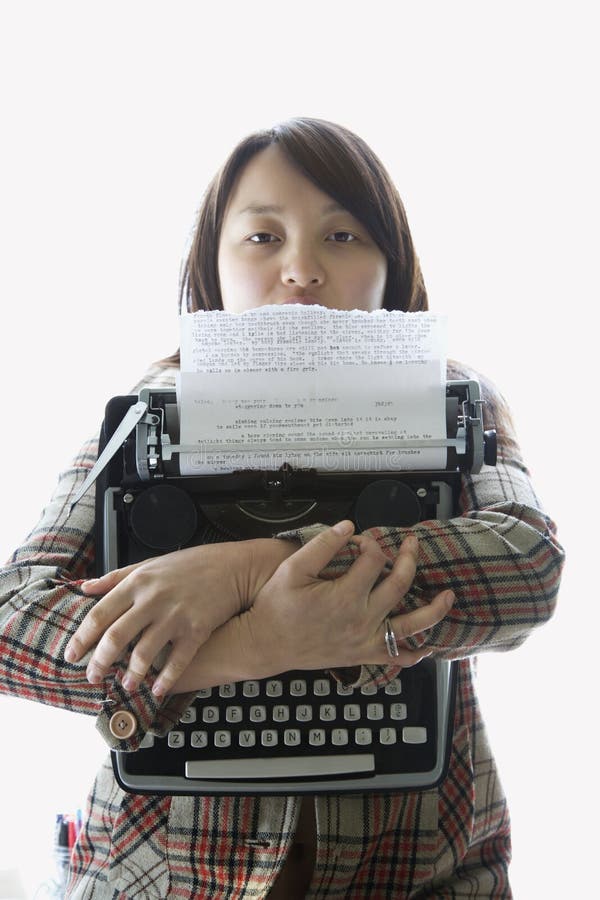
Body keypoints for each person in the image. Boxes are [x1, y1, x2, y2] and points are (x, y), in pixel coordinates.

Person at [0, 117, 564, 899]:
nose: (301, 270)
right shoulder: (144, 413)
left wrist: (247, 569)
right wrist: (258, 644)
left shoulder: (451, 400)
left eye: (343, 235)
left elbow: (528, 565)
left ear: (393, 265)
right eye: (263, 238)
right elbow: (9, 618)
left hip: (424, 872)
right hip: (157, 875)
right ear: (213, 264)